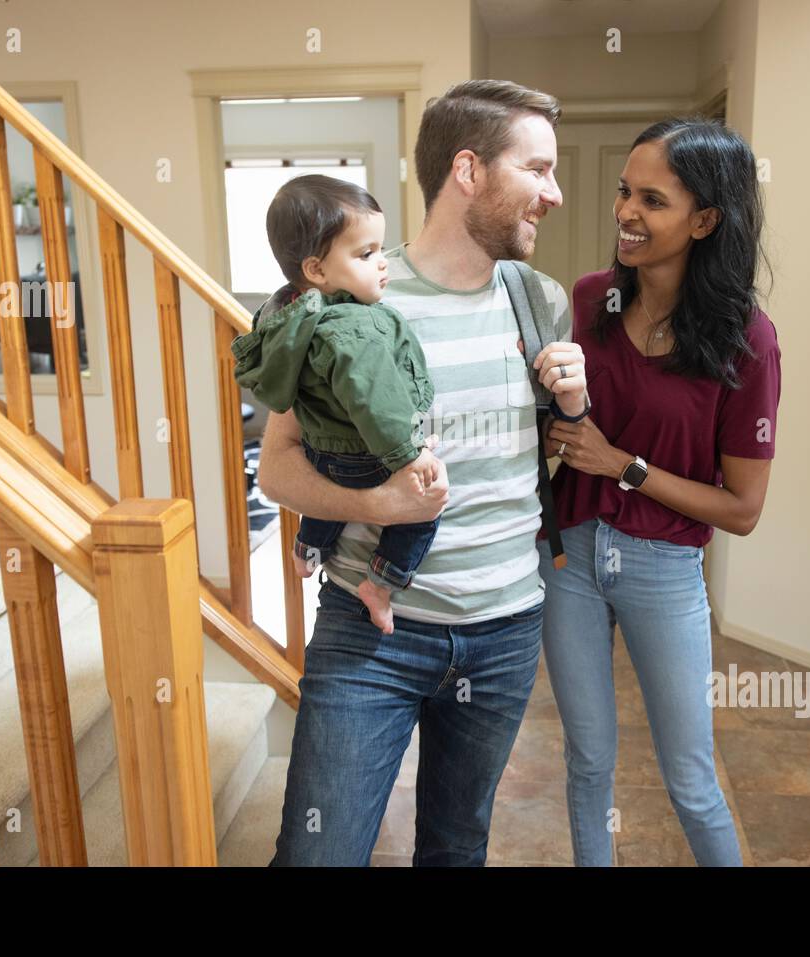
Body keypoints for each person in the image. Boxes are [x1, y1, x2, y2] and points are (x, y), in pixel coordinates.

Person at [261, 80, 589, 866]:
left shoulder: (538, 301)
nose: (557, 193)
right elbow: (276, 467)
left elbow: (540, 458)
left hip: (506, 632)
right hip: (370, 633)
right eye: (537, 170)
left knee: (455, 846)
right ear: (469, 171)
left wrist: (573, 405)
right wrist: (377, 500)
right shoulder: (351, 300)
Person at [538, 117, 781, 867]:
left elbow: (742, 508)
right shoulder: (587, 301)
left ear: (705, 219)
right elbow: (564, 425)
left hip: (665, 569)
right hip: (571, 559)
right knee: (587, 762)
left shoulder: (748, 338)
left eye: (652, 199)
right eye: (623, 192)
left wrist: (621, 464)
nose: (626, 213)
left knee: (691, 779)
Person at [231, 175, 441, 634]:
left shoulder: (289, 311)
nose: (383, 264)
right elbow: (378, 404)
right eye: (365, 254)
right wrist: (412, 453)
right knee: (423, 512)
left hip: (322, 452)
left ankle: (309, 546)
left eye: (380, 250)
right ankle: (381, 586)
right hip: (365, 454)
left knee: (333, 500)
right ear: (318, 270)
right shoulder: (354, 331)